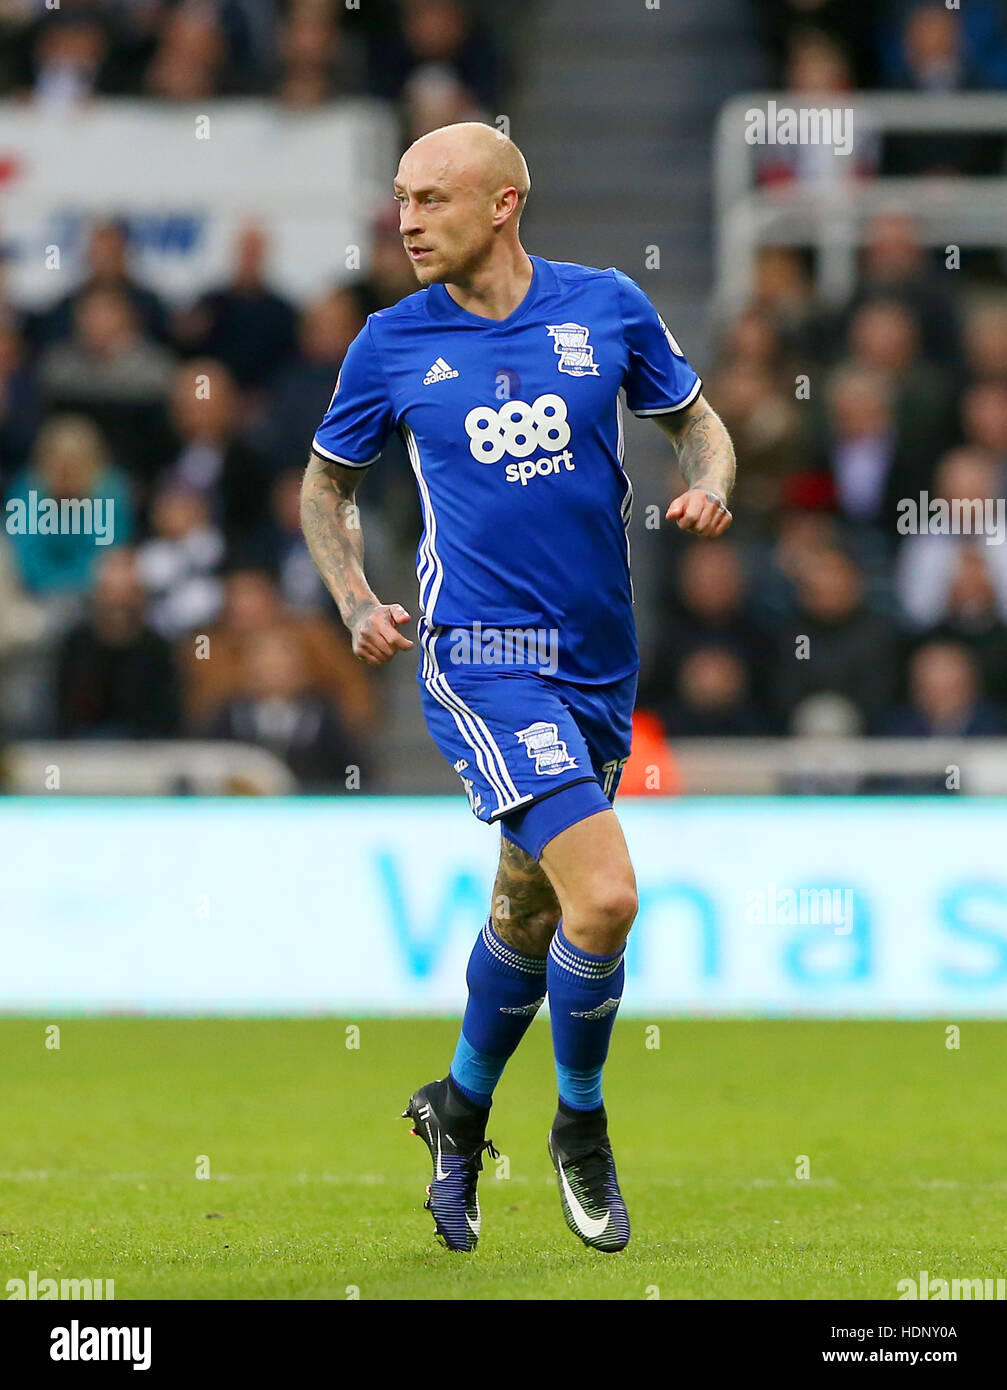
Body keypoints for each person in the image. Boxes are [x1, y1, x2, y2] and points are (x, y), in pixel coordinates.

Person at [300, 122, 737, 1253]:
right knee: (602, 898)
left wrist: (710, 484)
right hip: (480, 657)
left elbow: (695, 423)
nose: (405, 219)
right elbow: (322, 489)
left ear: (502, 205)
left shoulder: (604, 309)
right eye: (399, 198)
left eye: (431, 198)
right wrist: (354, 598)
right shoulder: (389, 344)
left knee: (529, 908)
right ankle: (580, 1126)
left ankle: (456, 1107)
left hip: (597, 657)